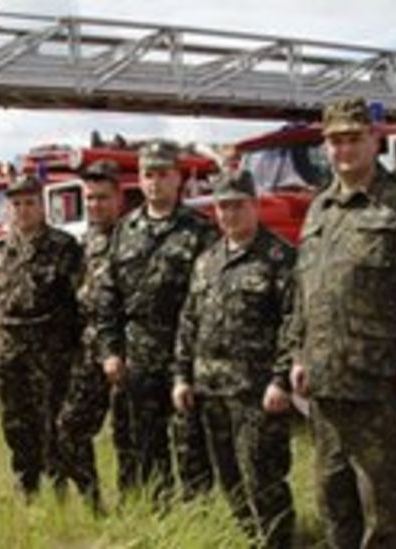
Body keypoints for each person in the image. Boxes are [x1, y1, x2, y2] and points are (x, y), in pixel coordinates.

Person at [289, 97, 396, 549]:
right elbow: (306, 290)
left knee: (383, 509)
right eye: (335, 140)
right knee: (333, 499)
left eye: (353, 139)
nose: (344, 149)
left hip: (379, 383)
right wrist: (298, 354)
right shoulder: (319, 208)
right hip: (325, 384)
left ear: (374, 140)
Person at [172, 170, 296, 548]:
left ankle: (277, 543)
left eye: (237, 206)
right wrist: (181, 376)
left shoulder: (280, 258)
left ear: (254, 205)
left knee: (264, 479)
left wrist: (281, 379)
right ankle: (248, 538)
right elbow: (189, 321)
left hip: (256, 394)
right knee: (229, 477)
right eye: (222, 207)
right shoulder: (207, 261)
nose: (229, 215)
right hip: (211, 391)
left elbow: (295, 324)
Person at [94, 140, 217, 502]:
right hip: (138, 355)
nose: (155, 182)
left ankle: (199, 521)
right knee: (145, 444)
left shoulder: (201, 230)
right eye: (149, 174)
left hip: (186, 355)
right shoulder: (124, 229)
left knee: (191, 445)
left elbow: (210, 300)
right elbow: (108, 297)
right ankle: (156, 518)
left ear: (178, 178)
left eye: (164, 174)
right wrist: (110, 351)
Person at [0, 173, 83, 499]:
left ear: (43, 206)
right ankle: (25, 486)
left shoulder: (63, 247)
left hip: (50, 350)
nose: (23, 210)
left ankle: (58, 486)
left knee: (53, 419)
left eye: (29, 203)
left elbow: (77, 299)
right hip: (10, 350)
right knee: (14, 419)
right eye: (16, 204)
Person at [56, 160, 129, 511]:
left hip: (129, 352)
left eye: (102, 197)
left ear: (119, 198)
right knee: (70, 428)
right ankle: (94, 505)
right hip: (90, 352)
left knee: (128, 439)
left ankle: (139, 508)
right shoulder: (85, 243)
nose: (96, 205)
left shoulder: (134, 238)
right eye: (90, 199)